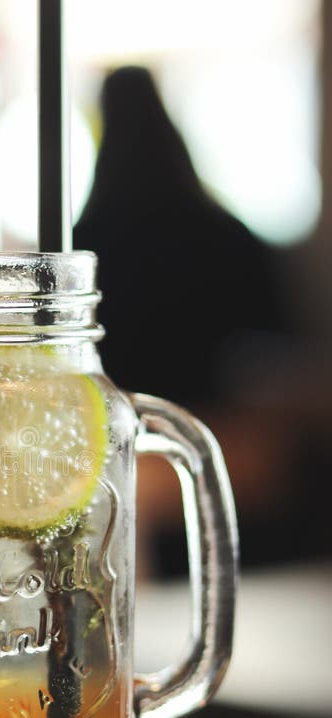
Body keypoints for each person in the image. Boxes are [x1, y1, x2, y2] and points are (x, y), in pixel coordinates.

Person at [73, 66, 297, 574]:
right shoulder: (227, 233)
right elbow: (277, 343)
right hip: (228, 443)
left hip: (127, 450)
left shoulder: (85, 243)